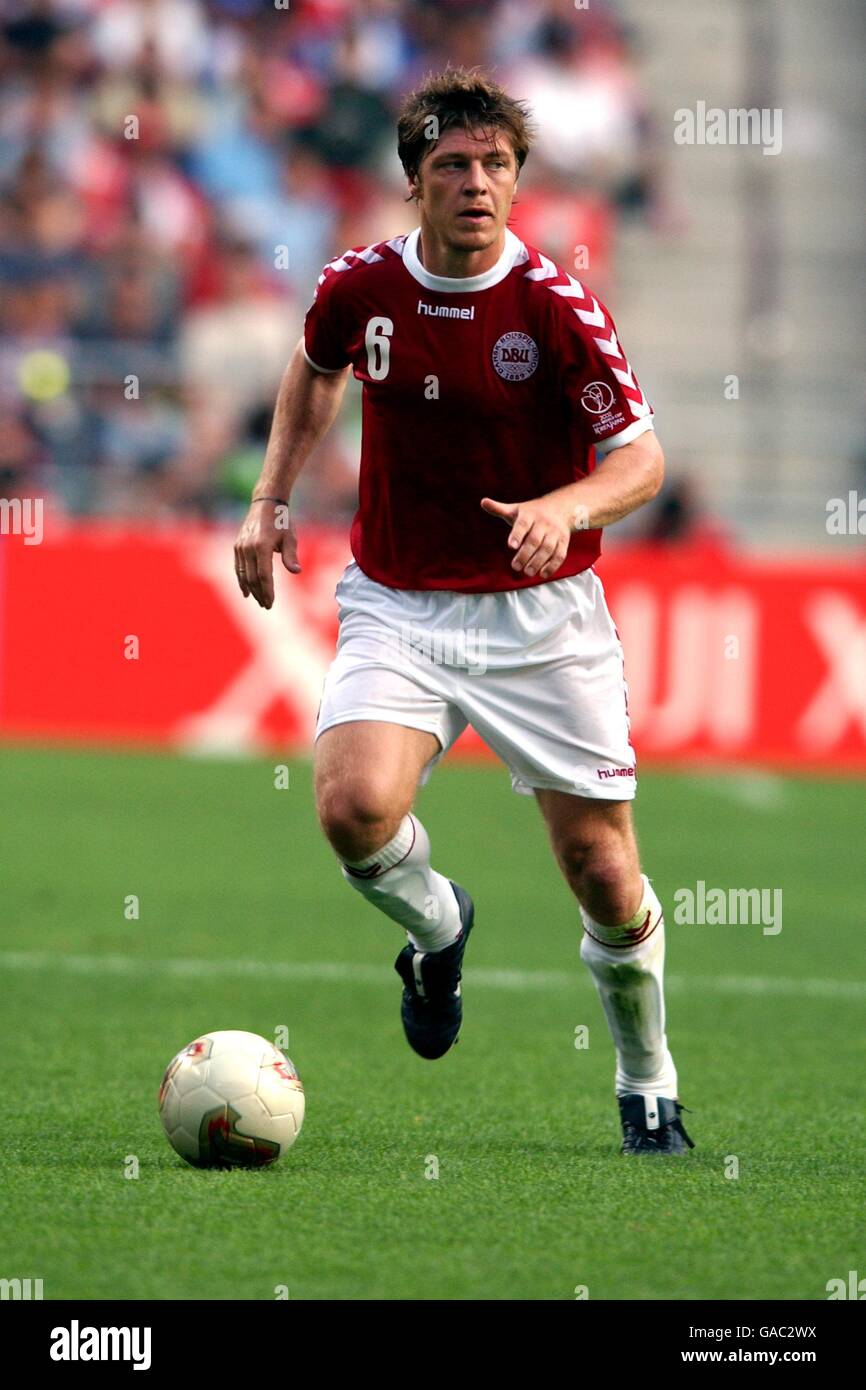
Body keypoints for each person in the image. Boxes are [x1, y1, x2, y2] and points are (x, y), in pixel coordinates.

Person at [233, 68, 693, 1156]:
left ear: (518, 179)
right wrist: (268, 498)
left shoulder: (556, 309)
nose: (475, 182)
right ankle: (439, 930)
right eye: (451, 165)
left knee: (600, 872)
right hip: (399, 602)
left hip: (543, 621)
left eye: (494, 165)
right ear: (414, 182)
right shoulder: (358, 287)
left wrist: (566, 505)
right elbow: (313, 370)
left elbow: (642, 459)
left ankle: (644, 1077)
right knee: (351, 810)